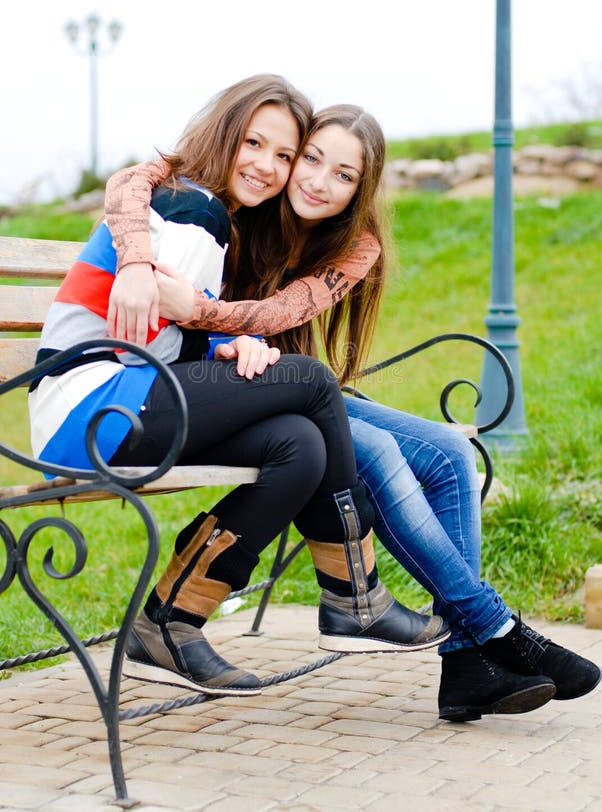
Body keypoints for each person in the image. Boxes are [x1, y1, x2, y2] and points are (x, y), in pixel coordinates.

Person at [104, 101, 601, 720]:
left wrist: (202, 310)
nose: (317, 181)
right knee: (386, 451)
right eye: (310, 159)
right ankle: (490, 632)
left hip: (293, 389)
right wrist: (133, 262)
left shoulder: (355, 246)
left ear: (360, 189)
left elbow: (278, 317)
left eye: (343, 175)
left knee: (448, 453)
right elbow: (131, 179)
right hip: (238, 393)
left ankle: (468, 662)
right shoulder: (249, 203)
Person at [29, 77, 449, 700]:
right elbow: (153, 338)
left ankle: (171, 620)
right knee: (307, 380)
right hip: (93, 407)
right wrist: (213, 336)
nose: (266, 166)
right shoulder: (194, 208)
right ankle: (354, 596)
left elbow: (179, 332)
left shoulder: (208, 214)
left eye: (283, 155)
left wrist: (228, 344)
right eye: (254, 143)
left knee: (298, 444)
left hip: (121, 402)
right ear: (225, 134)